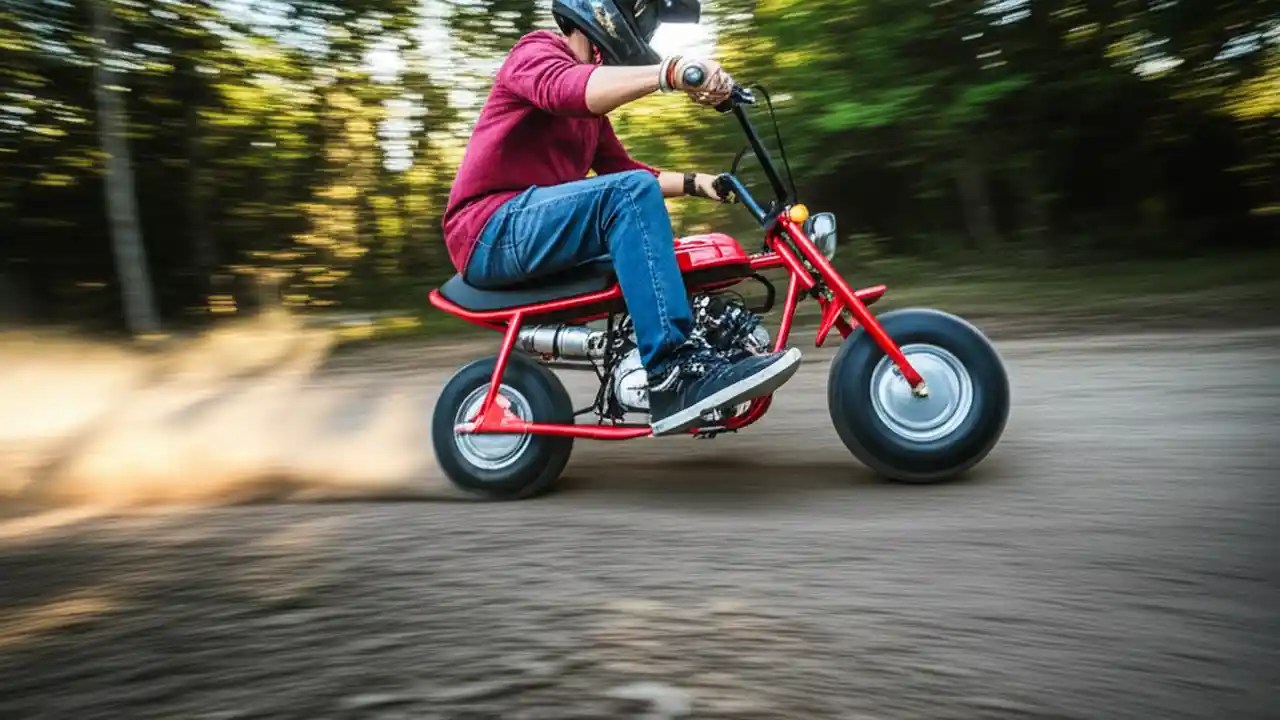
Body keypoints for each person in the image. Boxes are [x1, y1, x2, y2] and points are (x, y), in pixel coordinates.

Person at [442, 0, 801, 436]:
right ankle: (671, 372)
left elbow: (624, 171)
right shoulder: (536, 53)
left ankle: (697, 351)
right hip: (489, 230)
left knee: (659, 245)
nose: (643, 31)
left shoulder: (591, 120)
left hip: (529, 234)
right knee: (629, 199)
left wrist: (699, 182)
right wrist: (671, 73)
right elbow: (568, 91)